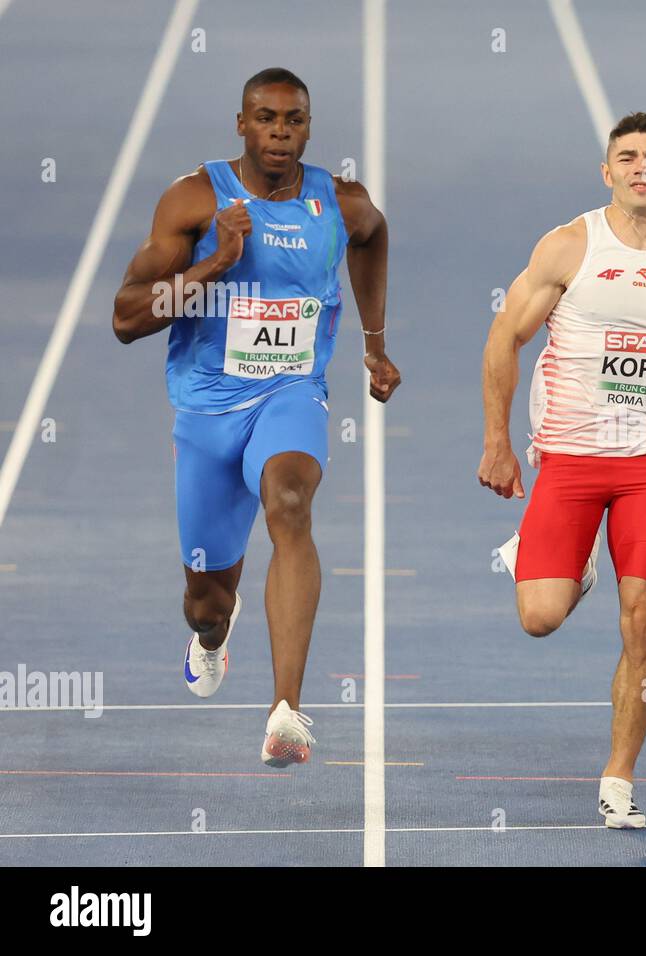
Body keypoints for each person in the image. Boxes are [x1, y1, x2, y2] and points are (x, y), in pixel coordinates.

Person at [111, 68, 400, 766]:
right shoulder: (195, 200)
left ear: (308, 127)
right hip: (207, 410)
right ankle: (213, 637)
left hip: (290, 394)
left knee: (291, 504)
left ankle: (286, 710)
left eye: (293, 120)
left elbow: (373, 237)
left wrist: (373, 343)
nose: (279, 131)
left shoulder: (341, 201)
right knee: (205, 601)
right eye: (265, 118)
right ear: (241, 124)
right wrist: (217, 261)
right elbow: (126, 317)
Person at [478, 112, 646, 828]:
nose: (642, 167)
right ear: (607, 172)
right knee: (539, 617)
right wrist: (497, 441)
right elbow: (505, 339)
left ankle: (619, 775)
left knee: (643, 619)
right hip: (571, 460)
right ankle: (576, 565)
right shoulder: (569, 247)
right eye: (628, 157)